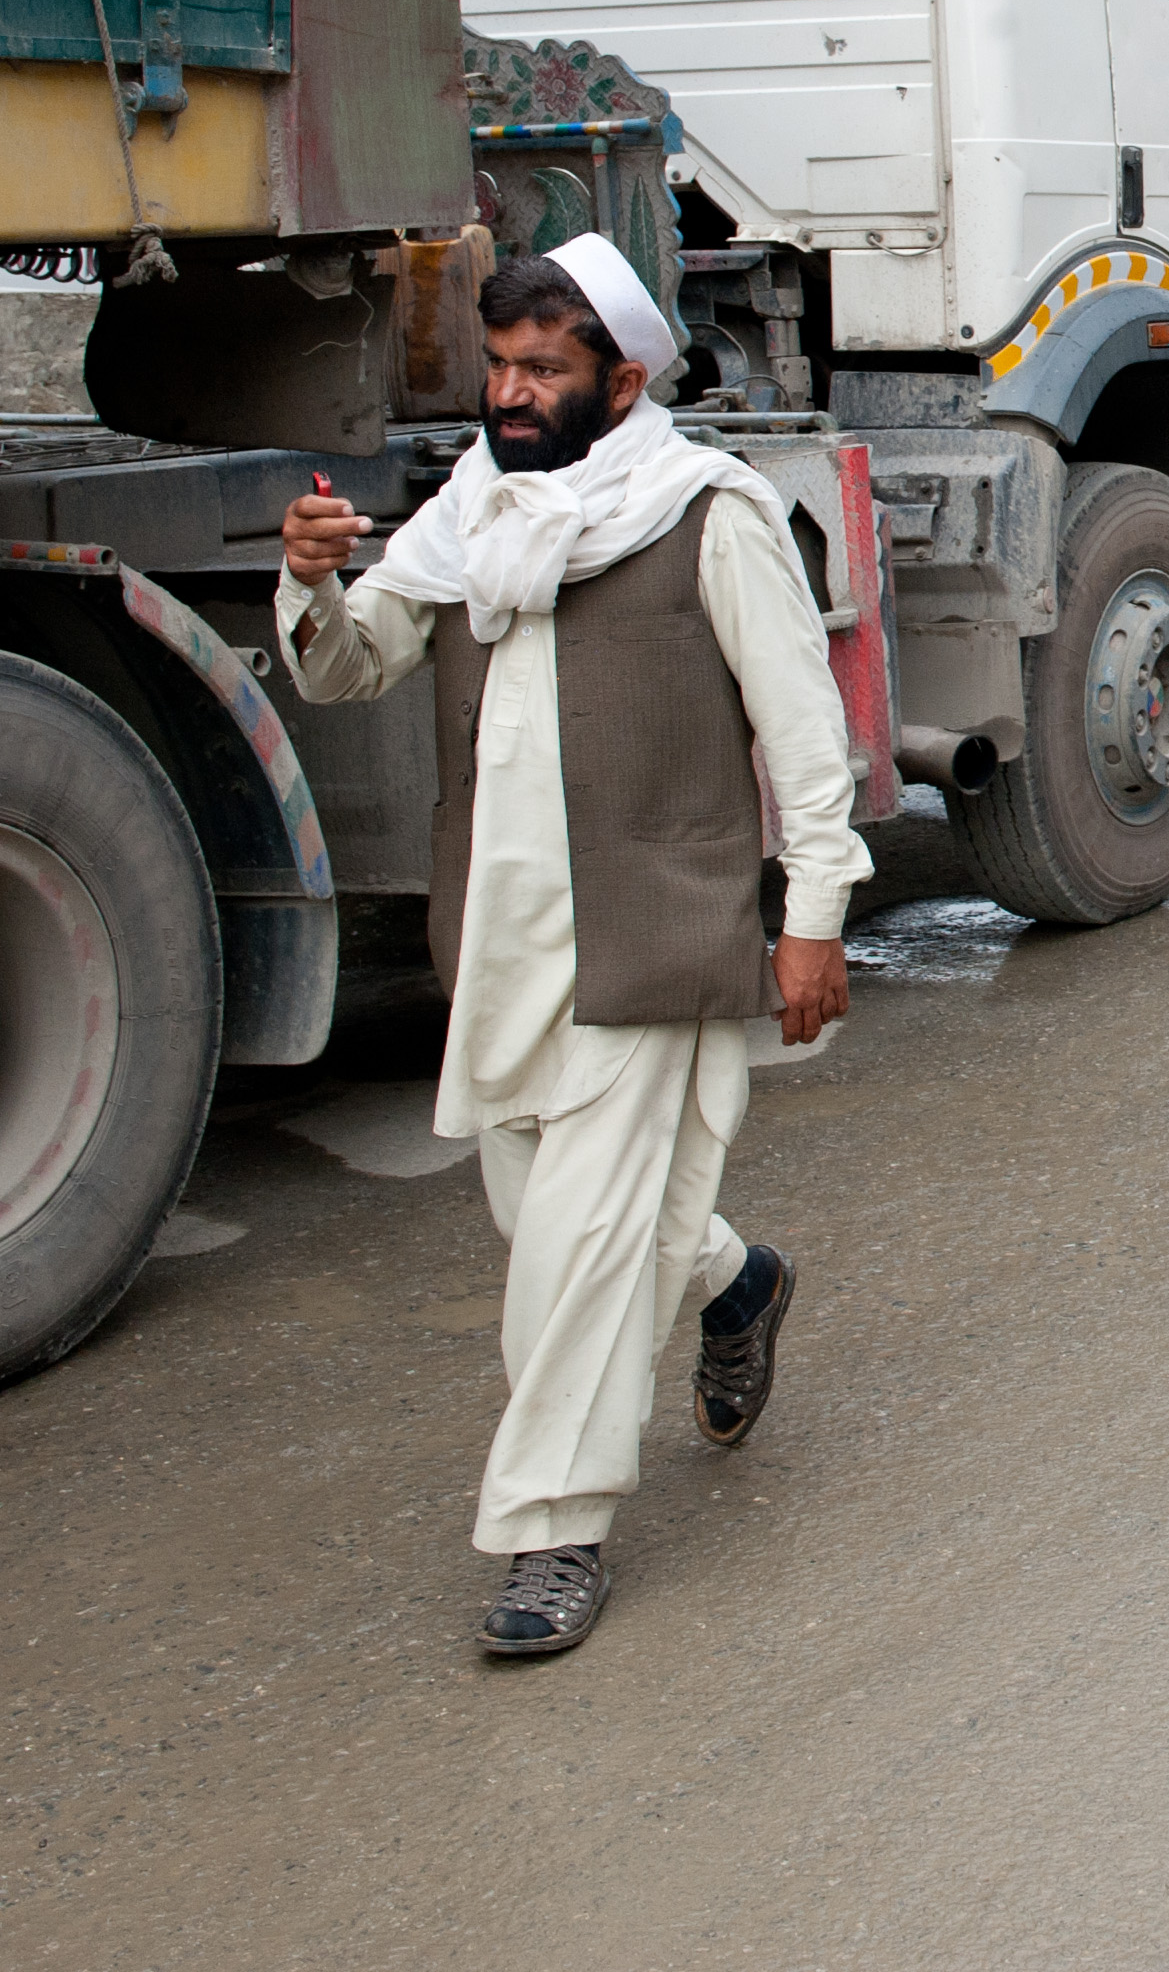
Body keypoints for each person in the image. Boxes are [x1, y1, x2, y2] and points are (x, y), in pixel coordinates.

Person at [275, 237, 862, 1662]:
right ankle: (736, 1281)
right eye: (501, 365)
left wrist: (814, 923)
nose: (514, 391)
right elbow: (352, 666)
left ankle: (555, 1529)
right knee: (564, 1223)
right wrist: (310, 585)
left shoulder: (703, 512)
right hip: (501, 939)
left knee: (581, 1255)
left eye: (546, 367)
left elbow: (805, 734)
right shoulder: (467, 520)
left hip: (657, 930)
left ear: (626, 375)